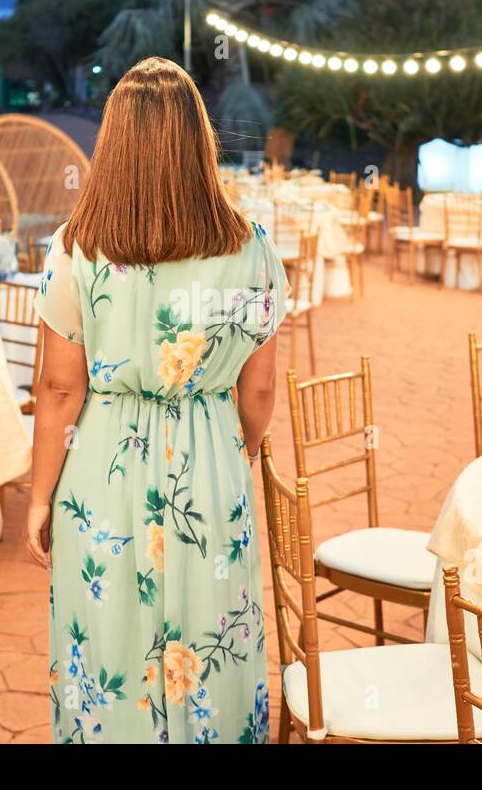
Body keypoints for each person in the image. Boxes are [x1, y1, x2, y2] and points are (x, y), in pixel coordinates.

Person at [26, 57, 287, 744]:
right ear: (199, 143)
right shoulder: (251, 245)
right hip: (210, 462)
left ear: (111, 143)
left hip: (101, 465)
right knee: (211, 641)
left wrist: (37, 494)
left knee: (106, 642)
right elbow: (257, 389)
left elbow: (57, 388)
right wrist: (236, 448)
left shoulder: (74, 248)